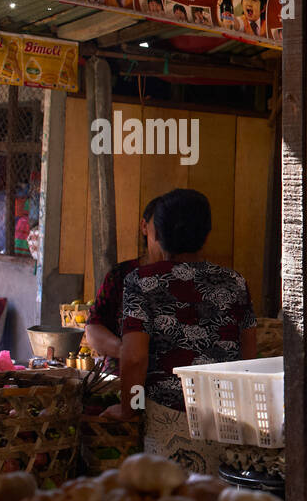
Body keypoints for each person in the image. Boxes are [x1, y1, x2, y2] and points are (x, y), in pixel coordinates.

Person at [103, 189, 256, 474]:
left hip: (170, 417)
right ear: (206, 234)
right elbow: (248, 355)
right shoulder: (235, 282)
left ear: (156, 233)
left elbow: (135, 358)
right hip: (228, 418)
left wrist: (128, 408)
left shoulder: (141, 281)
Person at [84, 196, 164, 368]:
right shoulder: (122, 275)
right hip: (122, 376)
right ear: (144, 226)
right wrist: (127, 352)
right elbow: (93, 327)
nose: (165, 231)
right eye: (160, 223)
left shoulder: (191, 279)